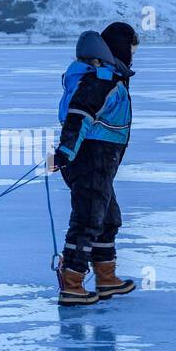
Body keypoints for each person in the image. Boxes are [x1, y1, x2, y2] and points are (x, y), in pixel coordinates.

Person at [50, 22, 138, 305]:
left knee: (108, 218)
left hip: (102, 162)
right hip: (90, 159)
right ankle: (72, 282)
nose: (133, 54)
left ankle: (106, 278)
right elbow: (78, 116)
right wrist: (65, 152)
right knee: (88, 218)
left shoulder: (111, 78)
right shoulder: (100, 81)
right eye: (131, 48)